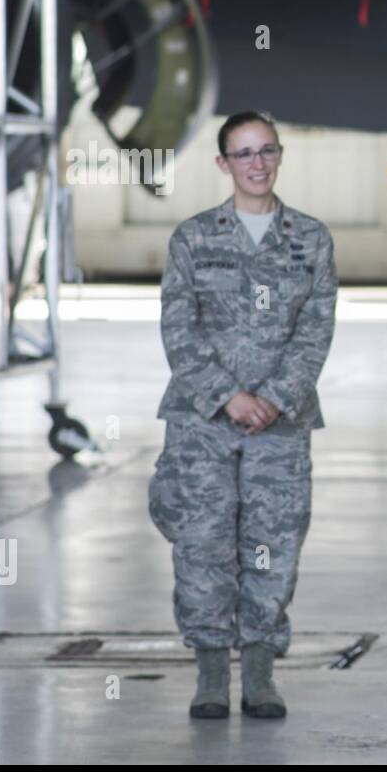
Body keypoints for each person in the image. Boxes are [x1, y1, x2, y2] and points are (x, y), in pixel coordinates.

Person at [148, 110, 337, 719]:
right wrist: (228, 395)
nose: (258, 164)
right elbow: (178, 330)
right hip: (203, 423)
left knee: (272, 546)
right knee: (201, 546)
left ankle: (258, 672)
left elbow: (316, 329)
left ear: (279, 156)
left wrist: (275, 397)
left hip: (280, 426)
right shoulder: (193, 239)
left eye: (267, 152)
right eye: (244, 154)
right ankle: (209, 675)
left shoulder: (311, 239)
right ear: (223, 164)